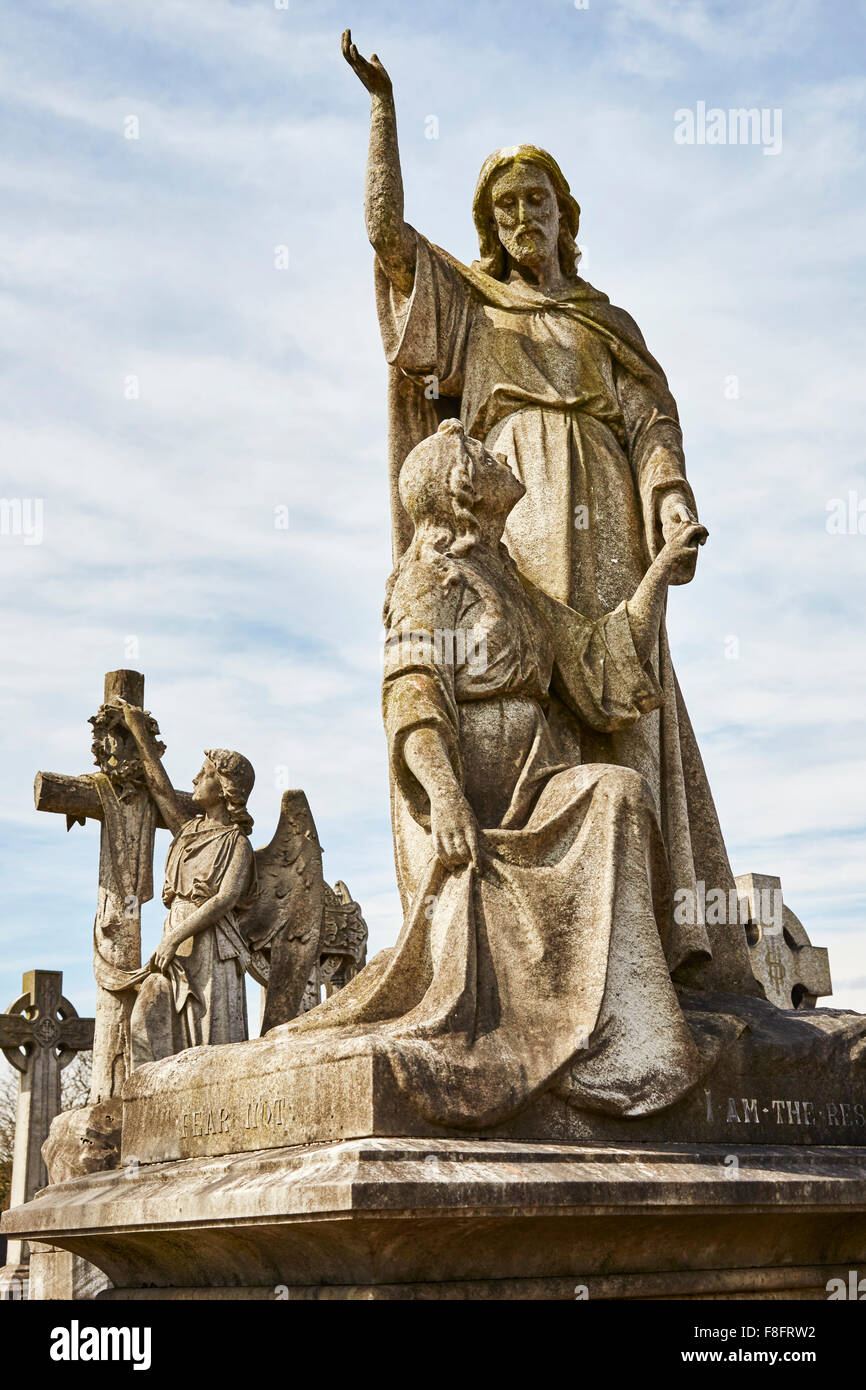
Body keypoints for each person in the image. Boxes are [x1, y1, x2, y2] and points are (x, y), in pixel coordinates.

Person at [340, 30, 760, 995]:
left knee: (617, 682)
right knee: (524, 679)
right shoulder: (473, 305)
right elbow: (386, 240)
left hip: (608, 507)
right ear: (489, 223)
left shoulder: (608, 322)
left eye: (538, 200)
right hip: (511, 510)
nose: (524, 216)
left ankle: (643, 942)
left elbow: (652, 420)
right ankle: (538, 941)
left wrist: (670, 499)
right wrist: (384, 116)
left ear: (566, 215)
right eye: (505, 205)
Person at [273, 422, 736, 1129]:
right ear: (463, 489)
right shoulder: (431, 575)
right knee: (609, 797)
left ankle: (634, 1040)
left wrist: (657, 575)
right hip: (480, 806)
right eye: (482, 456)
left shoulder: (508, 579)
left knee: (618, 792)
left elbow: (596, 656)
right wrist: (446, 792)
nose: (498, 455)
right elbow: (413, 690)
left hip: (539, 786)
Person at [112, 710, 257, 1066]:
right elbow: (160, 788)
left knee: (207, 1043)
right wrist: (138, 732)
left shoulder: (236, 842)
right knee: (147, 1017)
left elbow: (224, 900)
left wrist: (174, 938)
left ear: (225, 789)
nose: (194, 778)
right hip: (175, 939)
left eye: (205, 774)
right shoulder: (188, 830)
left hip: (211, 949)